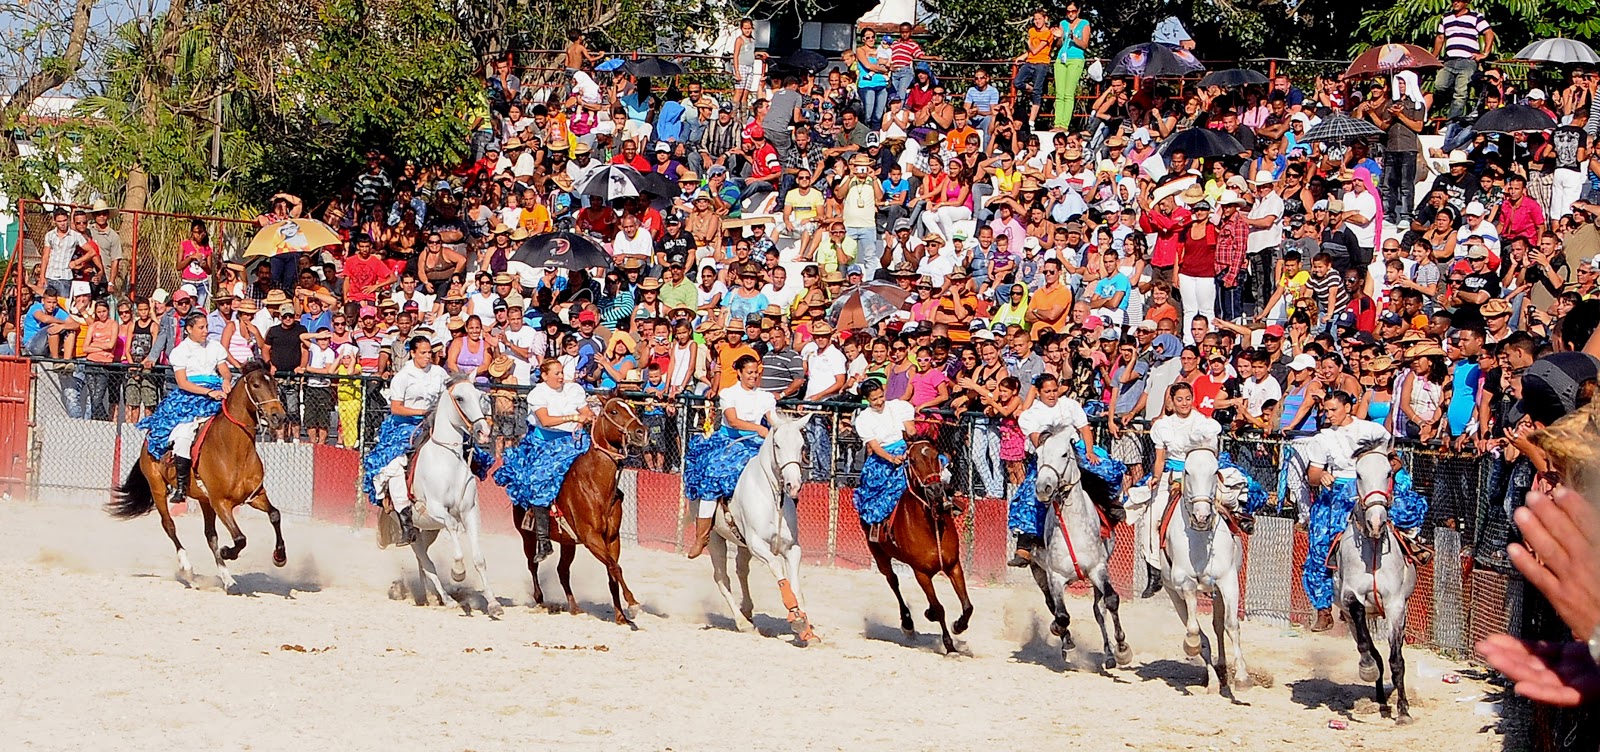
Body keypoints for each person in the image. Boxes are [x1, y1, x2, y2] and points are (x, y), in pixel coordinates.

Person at [1008, 373, 1126, 566]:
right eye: (1047, 391)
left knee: (1106, 470)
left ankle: (1110, 506)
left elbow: (1084, 428)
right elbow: (1038, 442)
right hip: (1048, 459)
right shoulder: (1030, 415)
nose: (1052, 395)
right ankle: (1025, 546)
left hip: (1075, 450)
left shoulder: (1070, 405)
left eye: (1055, 390)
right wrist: (1055, 452)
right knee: (1030, 493)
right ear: (1038, 393)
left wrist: (1089, 451)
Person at [494, 358, 594, 561]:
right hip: (545, 444)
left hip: (574, 441)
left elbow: (586, 412)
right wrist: (573, 418)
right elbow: (546, 420)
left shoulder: (574, 389)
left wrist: (587, 417)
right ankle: (543, 538)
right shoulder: (537, 394)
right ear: (544, 375)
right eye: (556, 373)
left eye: (561, 372)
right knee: (539, 479)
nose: (560, 376)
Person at [682, 353, 778, 558]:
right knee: (712, 474)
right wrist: (758, 429)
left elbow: (773, 418)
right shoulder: (728, 394)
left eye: (756, 372)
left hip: (758, 444)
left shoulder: (766, 397)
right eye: (749, 372)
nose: (753, 376)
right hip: (730, 442)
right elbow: (733, 421)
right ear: (740, 373)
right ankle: (701, 535)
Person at [361, 335, 451, 543]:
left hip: (436, 423)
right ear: (412, 353)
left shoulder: (439, 373)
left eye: (429, 353)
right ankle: (404, 519)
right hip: (405, 425)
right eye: (423, 353)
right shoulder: (403, 376)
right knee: (395, 463)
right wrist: (422, 412)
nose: (428, 356)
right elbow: (396, 407)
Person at [136, 312, 231, 505]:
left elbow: (224, 369)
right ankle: (181, 486)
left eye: (206, 327)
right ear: (189, 330)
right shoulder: (180, 351)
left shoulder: (215, 347)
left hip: (216, 393)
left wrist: (227, 381)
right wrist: (207, 392)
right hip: (190, 398)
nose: (206, 331)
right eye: (201, 327)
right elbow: (183, 383)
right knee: (183, 436)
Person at [853, 379, 918, 530]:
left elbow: (910, 428)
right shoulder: (864, 419)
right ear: (867, 399)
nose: (879, 402)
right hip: (883, 455)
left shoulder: (897, 407)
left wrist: (911, 433)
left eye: (881, 396)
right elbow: (874, 446)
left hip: (903, 448)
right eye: (874, 399)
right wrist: (891, 458)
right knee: (875, 481)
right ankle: (878, 522)